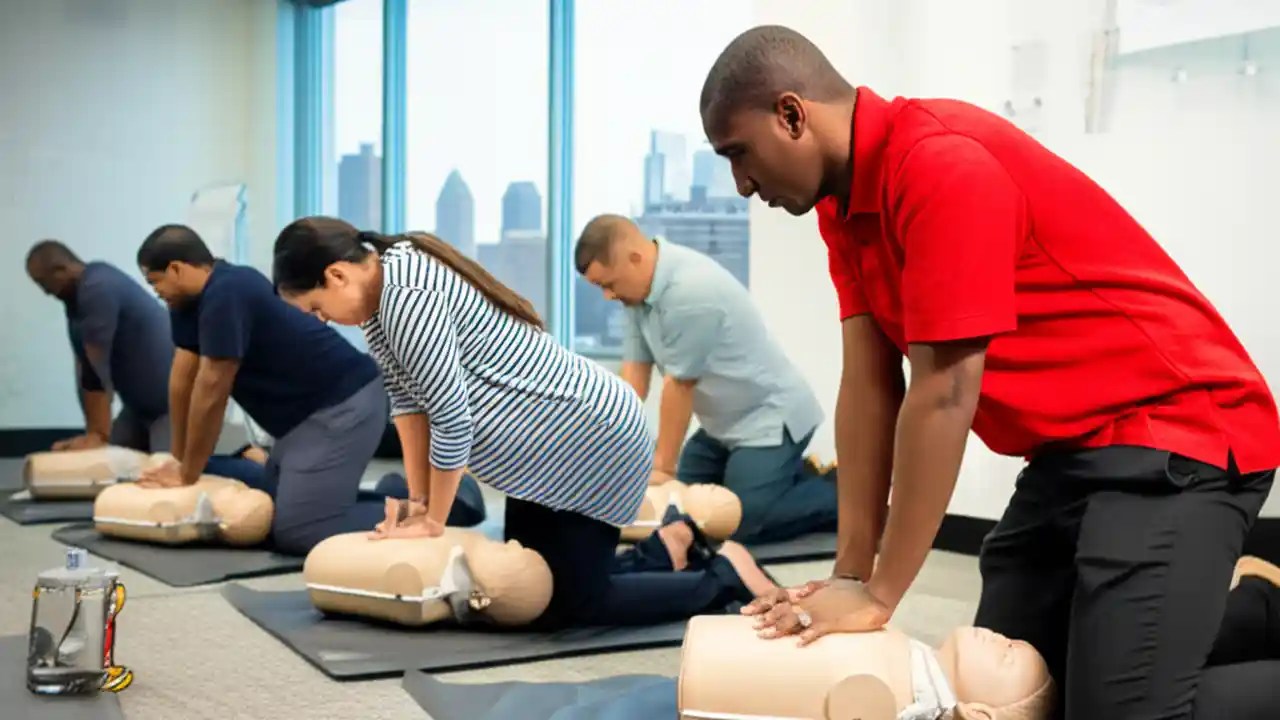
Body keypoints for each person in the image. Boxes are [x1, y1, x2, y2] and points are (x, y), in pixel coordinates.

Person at [699, 24, 1280, 719]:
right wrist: (849, 572)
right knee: (1009, 697)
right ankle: (1252, 611)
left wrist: (880, 595)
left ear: (792, 115)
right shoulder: (842, 207)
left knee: (1115, 711)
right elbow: (871, 386)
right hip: (1073, 450)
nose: (741, 184)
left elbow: (945, 391)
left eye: (738, 153)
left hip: (1181, 433)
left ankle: (1256, 614)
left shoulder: (939, 164)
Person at [272, 216, 780, 628]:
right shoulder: (382, 298)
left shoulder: (406, 296)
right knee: (535, 583)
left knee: (573, 606)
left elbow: (450, 417)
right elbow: (409, 406)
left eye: (316, 308)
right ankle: (670, 544)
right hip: (542, 450)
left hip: (587, 438)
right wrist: (418, 503)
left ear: (336, 275)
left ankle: (722, 577)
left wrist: (433, 522)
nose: (321, 320)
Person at [132, 224, 482, 556]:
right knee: (272, 501)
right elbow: (183, 380)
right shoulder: (184, 304)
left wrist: (188, 473)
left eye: (154, 281)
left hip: (342, 405)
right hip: (300, 419)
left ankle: (452, 505)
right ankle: (395, 493)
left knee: (301, 530)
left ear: (176, 269)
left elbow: (211, 389)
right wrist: (177, 460)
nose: (155, 290)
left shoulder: (229, 291)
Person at [574, 214, 836, 544]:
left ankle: (842, 493)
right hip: (720, 426)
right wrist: (601, 446)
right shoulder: (636, 298)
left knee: (740, 521)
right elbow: (633, 383)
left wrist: (663, 469)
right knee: (684, 512)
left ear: (635, 259)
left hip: (770, 418)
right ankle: (784, 477)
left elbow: (680, 386)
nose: (607, 296)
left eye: (608, 284)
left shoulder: (689, 291)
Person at [26, 240, 175, 452]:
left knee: (163, 468)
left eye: (44, 283)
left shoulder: (97, 287)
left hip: (172, 407)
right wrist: (93, 434)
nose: (46, 292)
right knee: (105, 464)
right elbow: (84, 368)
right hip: (139, 410)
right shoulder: (75, 302)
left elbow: (95, 368)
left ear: (61, 270)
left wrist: (97, 434)